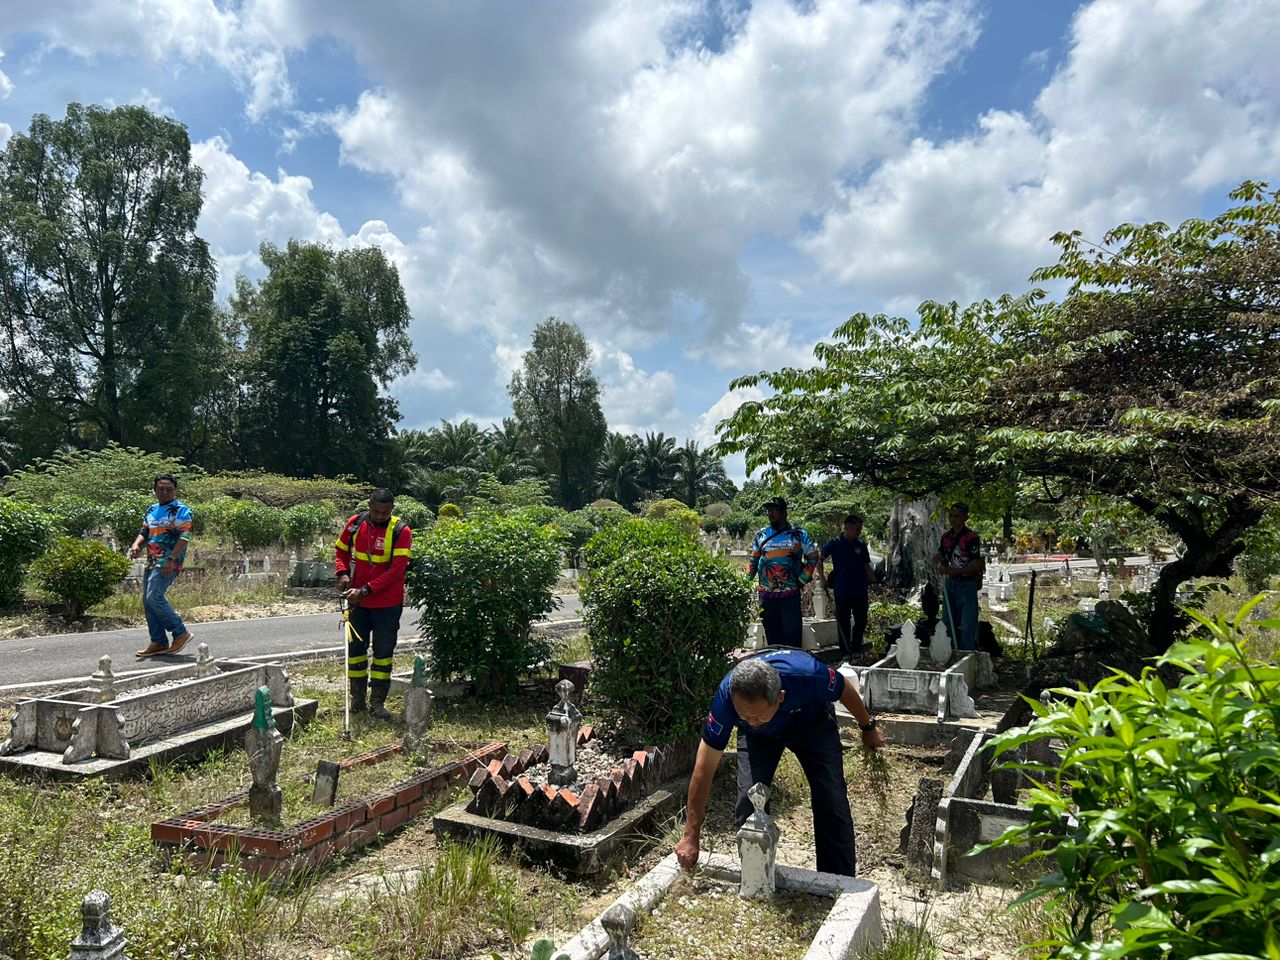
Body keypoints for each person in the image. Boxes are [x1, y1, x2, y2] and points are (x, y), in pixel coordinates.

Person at [675, 649, 884, 877]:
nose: (750, 720)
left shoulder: (808, 675)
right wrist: (690, 836)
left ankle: (837, 879)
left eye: (756, 715)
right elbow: (704, 769)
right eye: (742, 714)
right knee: (749, 800)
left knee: (830, 797)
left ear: (780, 697)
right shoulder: (726, 698)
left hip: (812, 725)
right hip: (758, 739)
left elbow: (843, 688)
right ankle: (755, 875)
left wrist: (867, 727)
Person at [335, 489, 413, 720]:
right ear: (369, 505)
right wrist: (342, 573)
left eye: (385, 512)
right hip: (358, 603)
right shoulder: (355, 523)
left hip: (387, 604)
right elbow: (341, 549)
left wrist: (366, 590)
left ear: (392, 509)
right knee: (356, 652)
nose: (380, 515)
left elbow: (397, 570)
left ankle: (377, 703)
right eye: (376, 511)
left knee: (383, 653)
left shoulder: (401, 531)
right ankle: (357, 700)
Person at [132, 474, 195, 657]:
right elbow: (145, 531)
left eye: (169, 489)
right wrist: (136, 544)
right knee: (148, 601)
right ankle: (158, 641)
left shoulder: (180, 510)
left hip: (168, 560)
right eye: (161, 489)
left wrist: (171, 559)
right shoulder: (152, 509)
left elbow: (185, 537)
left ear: (175, 490)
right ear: (155, 490)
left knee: (155, 597)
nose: (165, 492)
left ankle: (180, 632)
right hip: (152, 560)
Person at [748, 497, 819, 648]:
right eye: (769, 511)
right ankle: (776, 668)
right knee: (772, 638)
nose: (770, 513)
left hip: (790, 594)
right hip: (766, 595)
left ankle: (793, 668)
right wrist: (746, 582)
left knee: (792, 636)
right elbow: (753, 560)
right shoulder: (761, 535)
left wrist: (801, 580)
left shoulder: (799, 534)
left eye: (774, 510)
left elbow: (813, 558)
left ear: (785, 513)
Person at [819, 514, 877, 666]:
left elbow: (866, 565)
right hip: (842, 590)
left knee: (861, 621)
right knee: (843, 622)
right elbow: (819, 559)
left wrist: (874, 581)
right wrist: (822, 578)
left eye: (860, 529)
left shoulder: (861, 545)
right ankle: (845, 653)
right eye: (856, 528)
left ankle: (856, 650)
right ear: (846, 528)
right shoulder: (834, 543)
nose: (858, 531)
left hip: (860, 590)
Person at [934, 502, 984, 652]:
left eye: (957, 516)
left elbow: (976, 565)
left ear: (965, 518)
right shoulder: (946, 537)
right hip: (951, 584)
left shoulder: (971, 538)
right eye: (951, 515)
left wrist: (951, 571)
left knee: (968, 625)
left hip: (967, 584)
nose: (953, 519)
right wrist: (939, 560)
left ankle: (966, 656)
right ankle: (949, 654)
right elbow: (943, 557)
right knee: (947, 622)